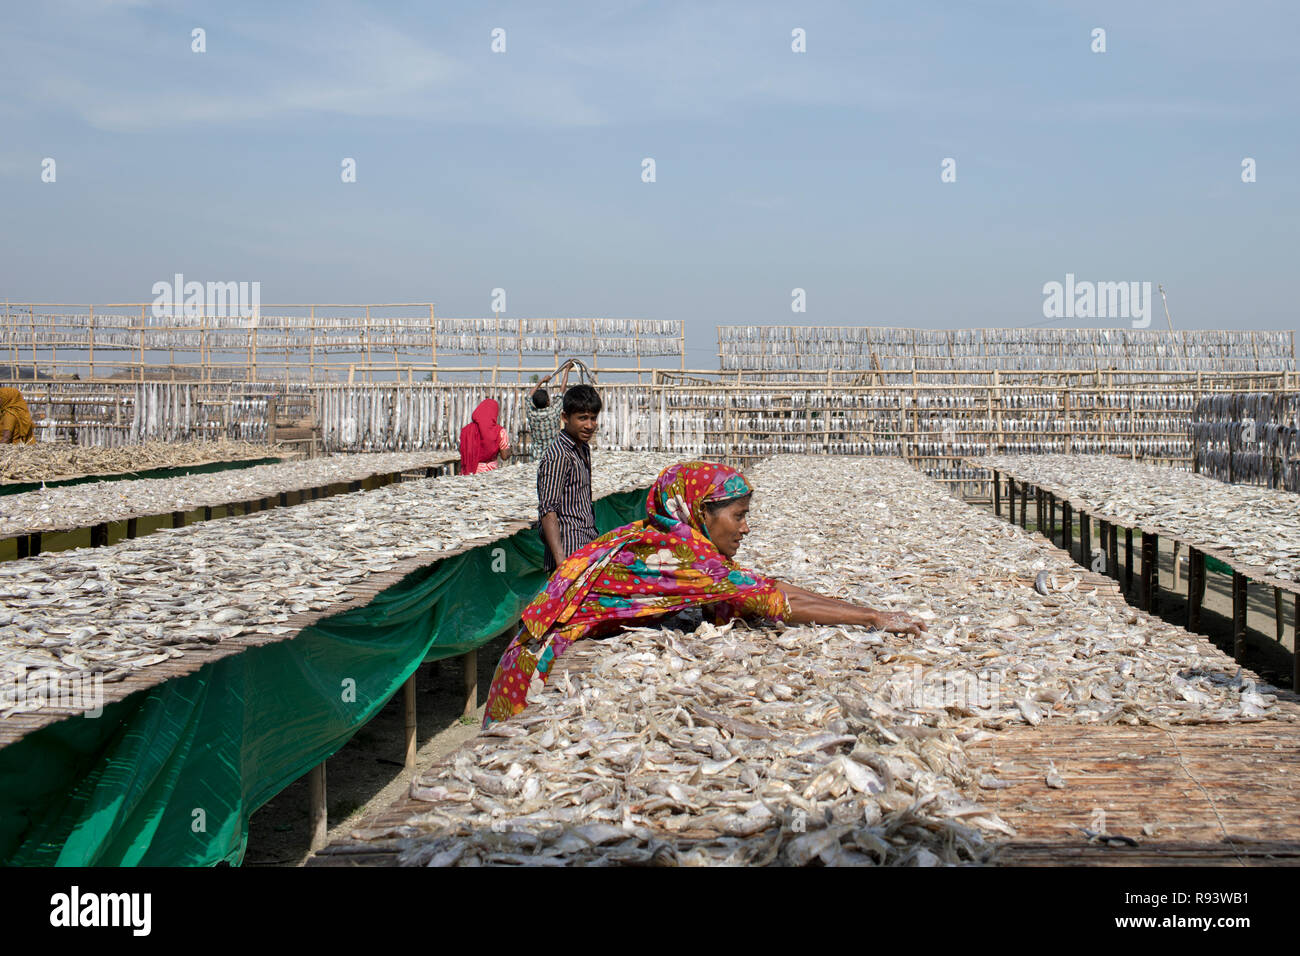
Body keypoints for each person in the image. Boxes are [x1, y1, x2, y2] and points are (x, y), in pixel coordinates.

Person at [485, 460, 927, 725]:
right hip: (533, 674)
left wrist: (866, 609)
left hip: (529, 653)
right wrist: (872, 619)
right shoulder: (680, 553)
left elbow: (761, 587)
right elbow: (776, 601)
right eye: (739, 516)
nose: (746, 527)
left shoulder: (664, 534)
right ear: (701, 512)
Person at [536, 383, 601, 575]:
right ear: (565, 417)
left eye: (593, 418)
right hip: (569, 552)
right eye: (582, 418)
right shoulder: (559, 455)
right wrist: (561, 564)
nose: (589, 425)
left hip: (585, 544)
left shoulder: (582, 448)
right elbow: (548, 511)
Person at [526, 360, 576, 459]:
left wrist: (541, 381)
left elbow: (528, 397)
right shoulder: (553, 412)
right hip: (552, 455)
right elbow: (562, 391)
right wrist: (567, 371)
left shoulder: (531, 413)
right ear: (548, 402)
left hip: (536, 456)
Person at [458, 399, 511, 475]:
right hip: (490, 472)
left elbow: (462, 450)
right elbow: (504, 456)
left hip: (469, 472)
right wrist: (510, 450)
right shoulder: (500, 431)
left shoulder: (467, 430)